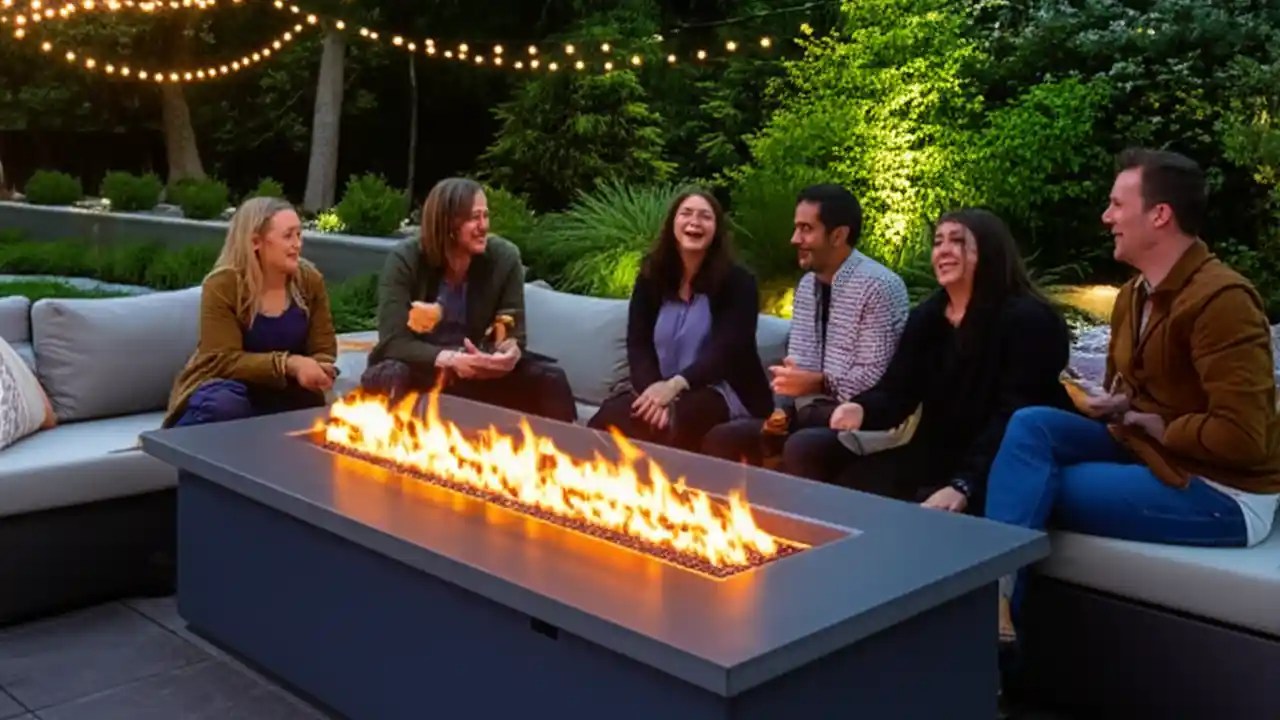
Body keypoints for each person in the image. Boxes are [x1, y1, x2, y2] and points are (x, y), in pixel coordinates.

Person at [984, 148, 1280, 645]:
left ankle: (990, 639)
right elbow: (1144, 393)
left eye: (1117, 205)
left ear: (1159, 215)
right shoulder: (1134, 295)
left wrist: (1162, 426)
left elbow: (1245, 437)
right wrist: (1119, 405)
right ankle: (994, 601)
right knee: (1031, 425)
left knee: (1028, 486)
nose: (1106, 218)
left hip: (1220, 491)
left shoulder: (1222, 302)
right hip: (1149, 451)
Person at [821, 209, 1073, 510]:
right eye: (938, 242)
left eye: (957, 241)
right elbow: (898, 391)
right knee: (849, 491)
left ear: (989, 251)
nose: (943, 251)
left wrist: (964, 484)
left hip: (1002, 458)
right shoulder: (927, 318)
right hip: (937, 453)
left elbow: (1014, 414)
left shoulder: (1028, 321)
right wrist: (862, 408)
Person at [702, 184, 910, 478]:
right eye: (796, 228)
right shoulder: (807, 287)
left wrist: (819, 384)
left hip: (860, 421)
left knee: (802, 447)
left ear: (838, 235)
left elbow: (875, 381)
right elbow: (796, 367)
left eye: (806, 229)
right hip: (807, 414)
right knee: (723, 438)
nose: (794, 239)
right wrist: (781, 410)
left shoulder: (880, 287)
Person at [360, 177, 576, 423]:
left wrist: (507, 353)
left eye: (486, 216)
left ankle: (571, 453)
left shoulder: (504, 258)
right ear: (447, 222)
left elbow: (511, 328)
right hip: (422, 367)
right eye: (474, 218)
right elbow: (393, 342)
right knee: (389, 374)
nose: (484, 226)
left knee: (550, 379)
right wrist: (452, 359)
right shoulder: (406, 259)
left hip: (478, 369)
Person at [587, 190, 773, 451]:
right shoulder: (652, 275)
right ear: (672, 223)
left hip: (721, 389)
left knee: (677, 418)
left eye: (705, 217)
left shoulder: (738, 282)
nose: (694, 222)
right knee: (614, 414)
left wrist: (673, 388)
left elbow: (727, 351)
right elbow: (638, 343)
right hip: (659, 385)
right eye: (686, 214)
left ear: (716, 229)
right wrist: (654, 391)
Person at [163, 197, 338, 428]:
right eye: (288, 236)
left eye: (299, 234)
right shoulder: (223, 285)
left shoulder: (309, 280)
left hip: (285, 390)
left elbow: (323, 349)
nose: (297, 244)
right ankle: (174, 449)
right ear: (256, 241)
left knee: (319, 412)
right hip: (226, 387)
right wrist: (289, 364)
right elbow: (223, 360)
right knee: (225, 405)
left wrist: (320, 367)